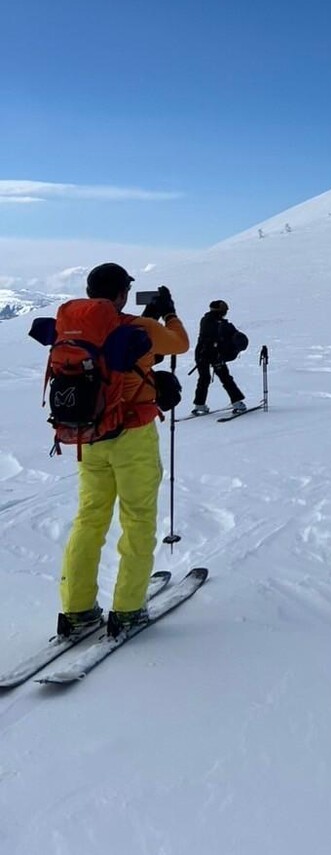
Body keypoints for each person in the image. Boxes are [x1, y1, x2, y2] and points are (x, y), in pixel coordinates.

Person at [58, 263, 189, 637]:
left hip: (89, 437)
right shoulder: (139, 328)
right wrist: (168, 313)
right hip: (132, 435)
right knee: (137, 519)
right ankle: (128, 609)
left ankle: (77, 609)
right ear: (121, 294)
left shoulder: (72, 330)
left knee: (89, 520)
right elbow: (179, 343)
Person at [191, 299, 246, 415]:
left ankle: (200, 404)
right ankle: (237, 402)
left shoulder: (207, 320)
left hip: (202, 353)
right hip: (214, 354)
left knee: (204, 378)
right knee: (225, 378)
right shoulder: (218, 323)